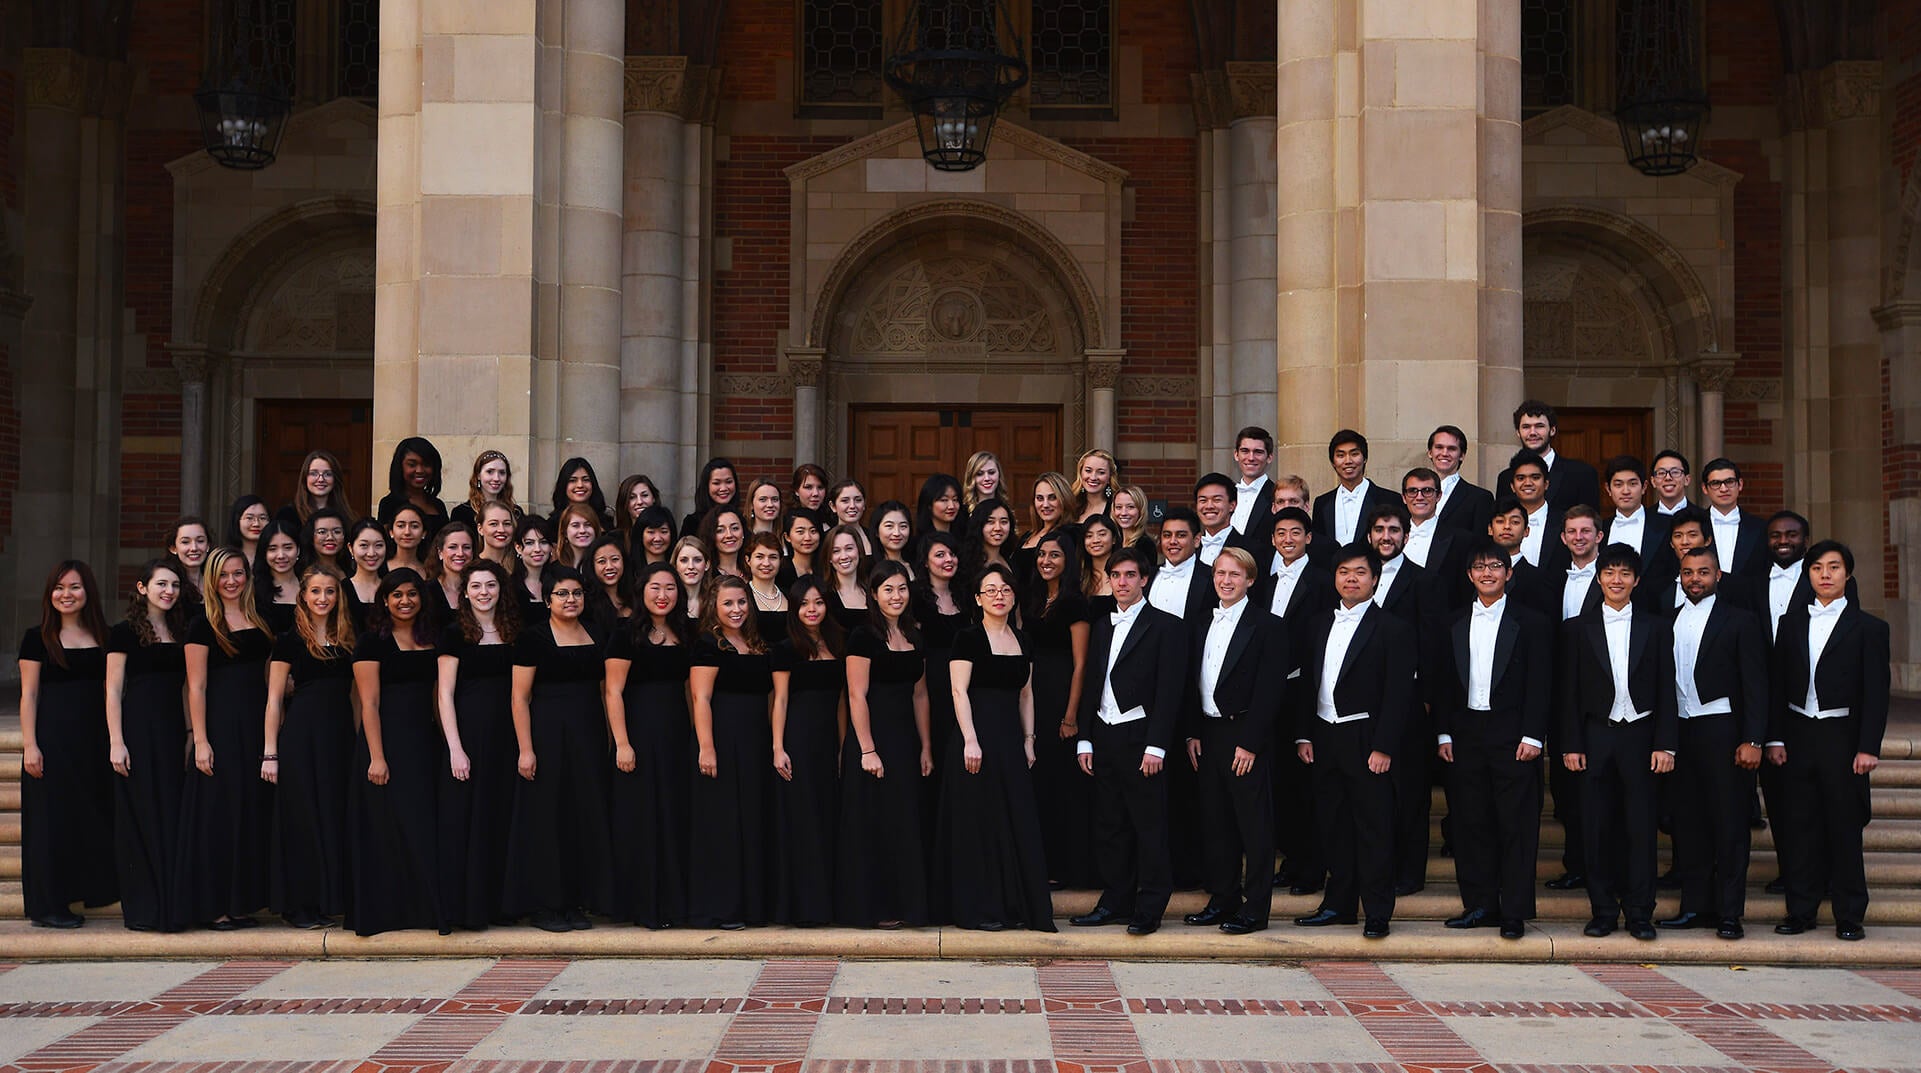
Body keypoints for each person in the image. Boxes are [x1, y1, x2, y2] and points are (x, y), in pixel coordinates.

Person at [1768, 541, 1890, 942]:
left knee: (1844, 826)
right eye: (1817, 567)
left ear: (1847, 574)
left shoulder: (1870, 628)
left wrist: (1868, 747)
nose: (1825, 574)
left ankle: (1849, 914)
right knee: (1799, 827)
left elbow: (1876, 693)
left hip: (1843, 738)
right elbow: (1777, 684)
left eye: (1834, 567)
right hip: (1798, 735)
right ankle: (1800, 911)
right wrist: (1775, 738)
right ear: (1808, 574)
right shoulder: (1790, 623)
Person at [1292, 543, 1415, 939]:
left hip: (1367, 740)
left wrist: (1384, 746)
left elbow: (1399, 694)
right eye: (1344, 572)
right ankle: (1339, 905)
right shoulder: (1317, 624)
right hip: (1324, 736)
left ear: (1375, 579)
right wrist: (1304, 734)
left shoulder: (1394, 628)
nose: (1351, 579)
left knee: (1373, 828)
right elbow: (1308, 684)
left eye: (1360, 572)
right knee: (1334, 825)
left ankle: (1377, 911)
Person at [1558, 545, 1677, 941]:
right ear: (1599, 578)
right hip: (1596, 735)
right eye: (1609, 572)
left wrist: (1666, 744)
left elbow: (1666, 687)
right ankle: (1603, 911)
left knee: (1641, 828)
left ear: (1636, 580)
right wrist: (1571, 744)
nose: (1616, 580)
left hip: (1641, 736)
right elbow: (1568, 692)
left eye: (1625, 573)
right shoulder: (1576, 628)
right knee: (1597, 828)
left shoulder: (1656, 627)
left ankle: (1640, 913)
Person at [1068, 546, 1187, 936]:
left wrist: (1157, 745)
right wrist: (1085, 738)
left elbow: (1170, 691)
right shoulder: (1102, 625)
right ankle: (1115, 901)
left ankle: (1150, 907)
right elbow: (1092, 683)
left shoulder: (1166, 627)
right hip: (1105, 735)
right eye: (1115, 575)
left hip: (1142, 739)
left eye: (1130, 575)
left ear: (1144, 580)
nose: (1121, 582)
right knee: (1110, 824)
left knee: (1149, 826)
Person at [1435, 541, 1550, 940]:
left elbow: (1541, 683)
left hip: (1513, 735)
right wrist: (1444, 732)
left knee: (1516, 825)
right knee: (1471, 823)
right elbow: (1442, 681)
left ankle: (1514, 911)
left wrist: (1534, 735)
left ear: (1508, 573)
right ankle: (1480, 905)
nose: (1487, 573)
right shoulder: (1451, 622)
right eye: (1480, 567)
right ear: (1470, 575)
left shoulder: (1532, 622)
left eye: (1495, 566)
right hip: (1464, 735)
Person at [937, 563, 1056, 931]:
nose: (998, 596)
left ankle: (1013, 906)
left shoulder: (1023, 640)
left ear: (1014, 596)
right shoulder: (967, 638)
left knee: (1014, 820)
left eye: (1004, 589)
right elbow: (958, 691)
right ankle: (980, 909)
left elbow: (1026, 694)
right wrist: (970, 740)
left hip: (1010, 742)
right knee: (980, 823)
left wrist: (1029, 740)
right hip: (975, 739)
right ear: (978, 599)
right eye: (990, 590)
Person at [1656, 546, 1768, 940]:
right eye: (1688, 572)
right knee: (1689, 823)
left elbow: (1756, 684)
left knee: (1729, 824)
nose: (1695, 579)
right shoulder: (1666, 620)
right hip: (1681, 732)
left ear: (1717, 576)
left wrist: (1753, 738)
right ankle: (1694, 907)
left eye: (1703, 572)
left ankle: (1729, 913)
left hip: (1724, 731)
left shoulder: (1741, 620)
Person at [1179, 548, 1285, 934]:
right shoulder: (1200, 623)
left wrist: (1250, 742)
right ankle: (1223, 898)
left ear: (1250, 580)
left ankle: (1255, 910)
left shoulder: (1268, 626)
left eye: (1235, 574)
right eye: (1220, 573)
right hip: (1208, 736)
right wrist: (1192, 731)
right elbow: (1192, 681)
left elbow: (1270, 690)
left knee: (1253, 827)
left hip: (1245, 735)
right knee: (1216, 823)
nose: (1226, 581)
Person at [505, 566, 615, 931]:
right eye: (562, 594)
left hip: (588, 735)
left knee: (581, 815)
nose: (571, 600)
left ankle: (575, 902)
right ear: (547, 599)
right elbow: (519, 698)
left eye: (576, 593)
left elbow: (604, 690)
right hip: (547, 736)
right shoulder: (532, 638)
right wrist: (526, 749)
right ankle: (546, 905)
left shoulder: (596, 632)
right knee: (547, 818)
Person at [176, 547, 275, 930]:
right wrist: (200, 740)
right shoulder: (201, 625)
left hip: (254, 726)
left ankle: (239, 903)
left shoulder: (259, 618)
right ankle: (216, 907)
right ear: (211, 580)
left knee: (247, 812)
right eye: (224, 575)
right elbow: (195, 687)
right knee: (219, 816)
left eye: (238, 573)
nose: (232, 581)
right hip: (220, 727)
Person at [19, 561, 115, 929]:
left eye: (74, 587)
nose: (66, 595)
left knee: (86, 817)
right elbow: (28, 696)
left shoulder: (104, 636)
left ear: (87, 591)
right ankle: (48, 906)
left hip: (93, 742)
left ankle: (88, 890)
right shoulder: (36, 638)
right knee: (51, 824)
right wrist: (30, 745)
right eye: (59, 588)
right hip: (52, 742)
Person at [836, 561, 932, 928]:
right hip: (872, 742)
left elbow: (920, 695)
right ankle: (875, 908)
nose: (896, 596)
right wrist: (867, 749)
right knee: (874, 824)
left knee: (903, 822)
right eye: (888, 589)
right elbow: (856, 695)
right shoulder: (863, 636)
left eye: (902, 588)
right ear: (874, 595)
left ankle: (906, 906)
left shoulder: (915, 635)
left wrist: (925, 746)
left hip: (905, 741)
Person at [349, 568, 444, 935]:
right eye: (397, 595)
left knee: (422, 823)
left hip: (423, 742)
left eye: (412, 594)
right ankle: (388, 912)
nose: (406, 601)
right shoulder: (371, 642)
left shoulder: (431, 638)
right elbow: (369, 703)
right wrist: (377, 756)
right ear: (385, 601)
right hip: (385, 742)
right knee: (387, 827)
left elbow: (436, 697)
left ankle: (424, 909)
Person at [261, 564, 356, 930]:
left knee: (332, 814)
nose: (323, 598)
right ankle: (300, 905)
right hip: (301, 737)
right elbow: (274, 700)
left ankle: (327, 900)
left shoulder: (347, 637)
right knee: (302, 818)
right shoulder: (289, 640)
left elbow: (356, 695)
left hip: (339, 737)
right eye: (315, 591)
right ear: (303, 596)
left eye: (329, 591)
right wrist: (270, 753)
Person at [604, 561, 693, 929]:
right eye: (655, 587)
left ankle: (674, 904)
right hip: (638, 733)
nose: (663, 595)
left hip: (675, 733)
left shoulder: (686, 631)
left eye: (670, 588)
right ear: (642, 591)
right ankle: (641, 905)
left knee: (673, 813)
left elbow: (690, 690)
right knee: (640, 817)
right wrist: (622, 743)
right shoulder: (625, 633)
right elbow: (613, 691)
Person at [436, 559, 521, 931]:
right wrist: (455, 747)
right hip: (469, 734)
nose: (484, 593)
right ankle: (468, 908)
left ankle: (501, 905)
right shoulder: (454, 633)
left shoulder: (514, 630)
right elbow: (444, 694)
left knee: (501, 815)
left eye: (490, 585)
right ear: (465, 593)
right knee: (468, 819)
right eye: (476, 586)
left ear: (501, 590)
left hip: (508, 735)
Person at [105, 560, 190, 932]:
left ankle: (173, 906)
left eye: (174, 585)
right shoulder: (123, 632)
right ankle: (145, 910)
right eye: (161, 584)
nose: (169, 591)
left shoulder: (182, 630)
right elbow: (112, 690)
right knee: (141, 814)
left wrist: (190, 734)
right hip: (137, 730)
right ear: (142, 588)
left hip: (172, 731)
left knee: (171, 813)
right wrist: (116, 741)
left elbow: (187, 688)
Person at [687, 575, 775, 929]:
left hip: (755, 739)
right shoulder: (708, 645)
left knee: (752, 818)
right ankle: (722, 907)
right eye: (728, 603)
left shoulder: (756, 642)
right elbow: (700, 698)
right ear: (714, 606)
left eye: (741, 602)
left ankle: (753, 905)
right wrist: (706, 747)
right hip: (722, 739)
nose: (736, 609)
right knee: (724, 823)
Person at [1254, 505, 1334, 896]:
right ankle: (1290, 860)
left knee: (1307, 785)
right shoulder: (1265, 584)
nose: (1288, 539)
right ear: (1273, 540)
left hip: (1305, 692)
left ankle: (1311, 867)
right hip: (1271, 695)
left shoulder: (1323, 582)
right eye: (1281, 533)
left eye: (1296, 533)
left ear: (1308, 538)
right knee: (1280, 784)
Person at [1360, 501, 1436, 897]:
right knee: (1373, 794)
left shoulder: (1423, 580)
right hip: (1362, 705)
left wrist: (1425, 699)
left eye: (1393, 530)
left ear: (1406, 536)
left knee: (1409, 791)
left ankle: (1409, 873)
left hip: (1408, 702)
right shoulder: (1355, 578)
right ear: (1369, 535)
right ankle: (1377, 867)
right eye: (1379, 530)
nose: (1385, 537)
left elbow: (1432, 643)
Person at [770, 575, 846, 927]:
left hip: (829, 741)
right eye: (803, 604)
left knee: (829, 816)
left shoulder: (839, 643)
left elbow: (842, 702)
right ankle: (803, 908)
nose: (811, 609)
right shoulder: (786, 648)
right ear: (794, 609)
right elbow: (780, 700)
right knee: (802, 820)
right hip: (798, 741)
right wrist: (778, 747)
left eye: (818, 602)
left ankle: (829, 903)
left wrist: (844, 746)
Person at [1026, 526, 1094, 889]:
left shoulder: (1074, 603)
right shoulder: (1034, 599)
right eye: (1041, 554)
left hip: (1061, 699)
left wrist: (1070, 716)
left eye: (1054, 555)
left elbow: (1081, 664)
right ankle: (1042, 864)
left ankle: (1067, 868)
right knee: (1040, 784)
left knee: (1062, 788)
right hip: (1033, 699)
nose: (1045, 561)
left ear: (1068, 561)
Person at [1494, 400, 1599, 513]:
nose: (1532, 432)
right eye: (1526, 427)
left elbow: (1591, 519)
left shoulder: (1582, 474)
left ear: (1552, 430)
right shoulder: (1506, 477)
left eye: (1539, 426)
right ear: (1518, 433)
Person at [1401, 467, 1470, 614]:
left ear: (1438, 496)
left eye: (1427, 491)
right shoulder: (1390, 537)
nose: (1419, 497)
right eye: (1412, 491)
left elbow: (1464, 594)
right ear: (1404, 497)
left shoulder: (1461, 540)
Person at [1312, 429, 1399, 546]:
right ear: (1333, 462)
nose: (1348, 461)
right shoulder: (1321, 503)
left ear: (1365, 458)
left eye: (1354, 454)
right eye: (1341, 455)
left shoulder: (1390, 499)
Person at [1602, 456, 1674, 581]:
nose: (1626, 491)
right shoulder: (1600, 529)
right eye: (1618, 485)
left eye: (1632, 484)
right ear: (1608, 489)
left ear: (1644, 487)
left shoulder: (1667, 525)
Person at [1700, 458, 1768, 577]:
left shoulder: (1760, 527)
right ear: (1705, 488)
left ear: (1740, 484)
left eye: (1729, 481)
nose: (1724, 489)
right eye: (1715, 483)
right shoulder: (1695, 525)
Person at [1147, 506, 1215, 623]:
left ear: (1197, 540)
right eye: (1167, 535)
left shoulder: (1211, 578)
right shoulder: (1146, 576)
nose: (1173, 541)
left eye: (1181, 535)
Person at [1427, 424, 1494, 535]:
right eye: (1439, 447)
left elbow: (1480, 541)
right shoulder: (1413, 494)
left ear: (1462, 455)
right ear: (1430, 453)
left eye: (1451, 449)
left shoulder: (1479, 498)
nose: (1444, 453)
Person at [1015, 472, 1074, 591]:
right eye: (1040, 498)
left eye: (1052, 497)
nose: (1045, 504)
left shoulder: (1069, 535)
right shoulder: (1027, 536)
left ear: (1064, 499)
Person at [377, 436, 448, 535]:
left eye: (426, 464)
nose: (419, 470)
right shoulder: (389, 504)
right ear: (400, 467)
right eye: (412, 465)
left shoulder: (438, 505)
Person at [1505, 449, 1558, 569]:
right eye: (1520, 478)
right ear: (1512, 486)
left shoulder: (1563, 522)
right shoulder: (1499, 523)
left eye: (1535, 477)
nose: (1528, 483)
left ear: (1546, 484)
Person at [252, 518, 304, 635]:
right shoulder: (251, 590)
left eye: (288, 547)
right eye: (272, 549)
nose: (281, 555)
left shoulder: (311, 586)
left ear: (298, 550)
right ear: (264, 553)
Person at [279, 449, 352, 528]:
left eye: (327, 474)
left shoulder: (347, 516)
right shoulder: (287, 515)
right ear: (305, 478)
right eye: (313, 473)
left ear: (335, 479)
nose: (321, 479)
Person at [1193, 472, 1253, 567]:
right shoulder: (1189, 550)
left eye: (1217, 500)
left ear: (1232, 506)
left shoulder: (1250, 549)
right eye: (1203, 500)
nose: (1209, 506)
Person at [450, 449, 520, 528]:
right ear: (478, 475)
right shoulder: (461, 513)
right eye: (490, 472)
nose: (496, 478)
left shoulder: (516, 512)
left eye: (502, 472)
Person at [424, 521, 478, 617]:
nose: (460, 553)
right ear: (440, 552)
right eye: (453, 547)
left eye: (466, 547)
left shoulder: (481, 590)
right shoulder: (426, 591)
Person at [1229, 426, 1275, 537]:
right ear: (1236, 455)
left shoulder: (1277, 496)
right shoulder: (1226, 495)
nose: (1251, 458)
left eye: (1258, 452)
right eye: (1245, 451)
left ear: (1269, 457)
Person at [824, 523, 870, 633]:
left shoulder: (873, 591)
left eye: (849, 548)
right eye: (836, 551)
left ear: (859, 551)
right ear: (829, 557)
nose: (844, 556)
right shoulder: (824, 595)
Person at [744, 530, 789, 640]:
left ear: (780, 561)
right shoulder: (742, 595)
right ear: (748, 560)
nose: (766, 563)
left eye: (773, 557)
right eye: (759, 557)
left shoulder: (789, 595)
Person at [345, 518, 388, 631]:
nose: (371, 553)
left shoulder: (392, 587)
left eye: (378, 545)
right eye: (364, 545)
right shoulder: (341, 589)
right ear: (351, 548)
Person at [584, 533, 632, 634]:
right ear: (592, 566)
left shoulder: (636, 598)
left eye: (615, 559)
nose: (609, 566)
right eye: (602, 561)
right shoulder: (586, 605)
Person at [962, 498, 1015, 589]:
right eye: (990, 522)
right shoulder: (967, 564)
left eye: (1004, 522)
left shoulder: (1012, 560)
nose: (998, 528)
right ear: (979, 525)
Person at [511, 515, 555, 623]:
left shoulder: (559, 581)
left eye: (543, 542)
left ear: (551, 547)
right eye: (529, 543)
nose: (537, 549)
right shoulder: (509, 586)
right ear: (518, 548)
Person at [684, 458, 742, 536]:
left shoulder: (742, 519)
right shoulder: (692, 523)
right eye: (716, 483)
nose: (723, 488)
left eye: (728, 482)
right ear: (706, 486)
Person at [552, 457, 614, 528]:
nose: (580, 485)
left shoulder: (606, 522)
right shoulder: (552, 525)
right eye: (572, 480)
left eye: (586, 480)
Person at [1079, 514, 1121, 606]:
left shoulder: (1123, 574)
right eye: (1089, 536)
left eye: (1102, 534)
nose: (1095, 540)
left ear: (1114, 539)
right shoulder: (1078, 576)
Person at [165, 516, 213, 597]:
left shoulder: (217, 583)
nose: (194, 548)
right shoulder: (167, 585)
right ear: (173, 548)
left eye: (200, 541)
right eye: (185, 542)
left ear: (208, 545)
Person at [914, 473, 965, 547]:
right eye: (944, 500)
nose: (951, 506)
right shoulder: (919, 543)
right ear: (929, 504)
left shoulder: (965, 537)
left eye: (955, 499)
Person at [699, 504, 748, 579]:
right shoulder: (705, 575)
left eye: (735, 528)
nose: (729, 535)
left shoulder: (754, 570)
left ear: (743, 532)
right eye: (720, 530)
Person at [777, 508, 824, 587]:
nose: (807, 538)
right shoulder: (780, 572)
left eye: (813, 531)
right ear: (787, 537)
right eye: (800, 532)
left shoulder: (827, 570)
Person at [554, 502, 605, 572]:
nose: (582, 530)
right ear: (565, 532)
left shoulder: (604, 567)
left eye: (588, 525)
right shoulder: (554, 571)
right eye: (575, 525)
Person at [672, 534, 711, 623]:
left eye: (697, 560)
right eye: (684, 560)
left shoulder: (716, 601)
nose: (691, 566)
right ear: (675, 565)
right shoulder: (668, 602)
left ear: (707, 565)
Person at [1072, 449, 1118, 522]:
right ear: (1080, 473)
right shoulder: (1070, 505)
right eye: (1088, 471)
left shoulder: (1117, 508)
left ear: (1110, 477)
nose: (1093, 477)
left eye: (1101, 472)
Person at [302, 508, 351, 577]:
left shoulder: (351, 571)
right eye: (322, 532)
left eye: (337, 532)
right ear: (311, 536)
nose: (330, 537)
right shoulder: (302, 573)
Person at [386, 504, 430, 575]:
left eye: (414, 526)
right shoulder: (379, 568)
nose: (407, 532)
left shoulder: (430, 572)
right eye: (401, 526)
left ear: (424, 533)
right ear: (391, 532)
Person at [873, 500, 915, 571]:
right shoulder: (867, 566)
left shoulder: (918, 564)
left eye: (903, 526)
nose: (897, 533)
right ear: (877, 531)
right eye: (889, 526)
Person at [226, 495, 271, 564]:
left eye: (262, 518)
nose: (256, 524)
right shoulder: (225, 559)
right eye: (249, 518)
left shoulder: (276, 558)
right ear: (237, 520)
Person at [1111, 485, 1153, 553]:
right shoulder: (1114, 542)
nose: (1123, 513)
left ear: (1141, 510)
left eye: (1130, 507)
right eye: (1119, 507)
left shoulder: (1145, 544)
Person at [961, 450, 1003, 518]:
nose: (987, 478)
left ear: (999, 475)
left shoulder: (1006, 510)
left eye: (991, 472)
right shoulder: (962, 514)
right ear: (971, 478)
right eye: (979, 474)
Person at [475, 501, 518, 566]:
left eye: (507, 524)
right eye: (493, 524)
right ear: (480, 529)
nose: (501, 530)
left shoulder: (523, 566)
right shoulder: (471, 567)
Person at [1650, 450, 1693, 515]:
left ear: (1687, 480)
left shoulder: (1703, 517)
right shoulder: (1644, 518)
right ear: (1653, 481)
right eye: (1661, 473)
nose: (1668, 478)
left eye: (1675, 472)